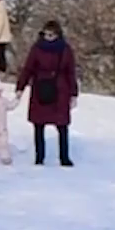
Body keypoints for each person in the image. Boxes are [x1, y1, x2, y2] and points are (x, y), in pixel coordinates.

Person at [15, 20, 78, 167]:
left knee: (62, 126)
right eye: (46, 34)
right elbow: (28, 68)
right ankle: (39, 157)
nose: (48, 37)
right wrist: (20, 87)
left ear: (58, 34)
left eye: (52, 34)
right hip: (40, 88)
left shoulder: (65, 50)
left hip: (60, 90)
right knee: (38, 125)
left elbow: (71, 72)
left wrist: (73, 93)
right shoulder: (37, 49)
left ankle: (64, 157)